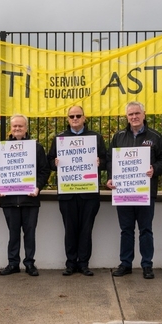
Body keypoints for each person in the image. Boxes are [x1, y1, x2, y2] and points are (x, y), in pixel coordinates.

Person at [106, 102, 162, 279]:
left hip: (145, 192)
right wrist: (111, 178)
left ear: (144, 114)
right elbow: (110, 160)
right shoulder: (118, 136)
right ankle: (125, 264)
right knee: (126, 230)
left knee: (145, 230)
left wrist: (154, 169)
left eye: (137, 113)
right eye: (130, 114)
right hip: (124, 192)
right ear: (126, 117)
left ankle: (147, 265)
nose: (134, 117)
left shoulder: (155, 137)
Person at [47, 105, 107, 277]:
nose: (75, 119)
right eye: (71, 116)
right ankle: (70, 263)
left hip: (89, 193)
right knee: (70, 229)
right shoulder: (60, 138)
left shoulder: (95, 137)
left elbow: (105, 160)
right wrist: (55, 163)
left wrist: (99, 162)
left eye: (78, 116)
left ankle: (84, 263)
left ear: (84, 117)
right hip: (67, 193)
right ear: (67, 119)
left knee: (86, 229)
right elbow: (50, 161)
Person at [0, 114, 50, 277]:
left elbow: (44, 170)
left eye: (20, 126)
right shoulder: (1, 148)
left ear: (26, 128)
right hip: (9, 199)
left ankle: (30, 263)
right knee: (13, 233)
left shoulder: (36, 148)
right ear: (10, 128)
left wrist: (38, 186)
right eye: (14, 126)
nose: (17, 129)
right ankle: (13, 263)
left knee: (30, 233)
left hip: (30, 198)